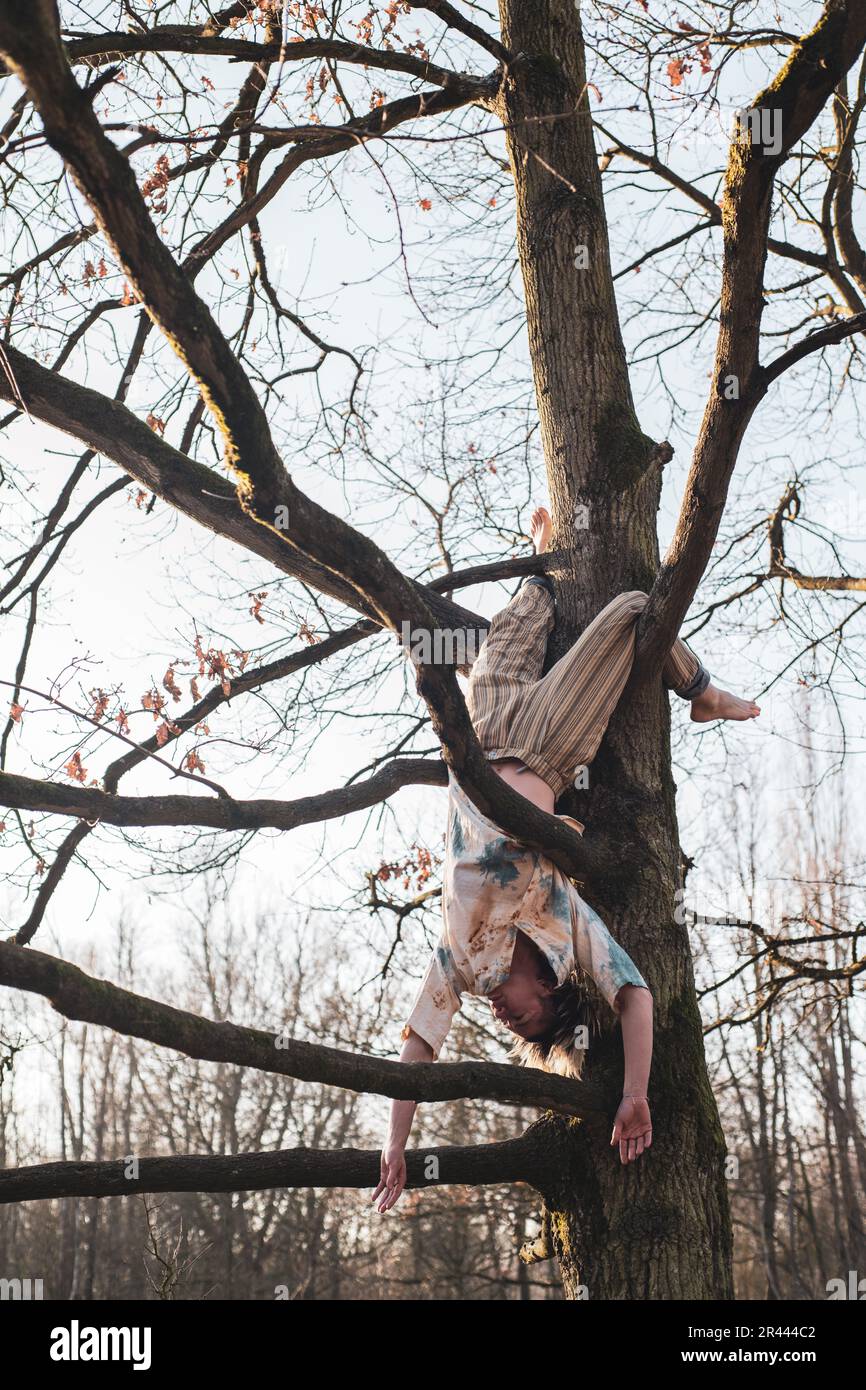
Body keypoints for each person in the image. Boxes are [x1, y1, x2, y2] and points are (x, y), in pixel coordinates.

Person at [373, 507, 760, 1213]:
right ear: (548, 991)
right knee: (636, 610)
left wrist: (394, 1145)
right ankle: (703, 692)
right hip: (549, 742)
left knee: (532, 599)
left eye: (509, 1028)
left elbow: (417, 1046)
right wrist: (635, 1096)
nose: (504, 1021)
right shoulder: (562, 918)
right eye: (523, 1022)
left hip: (481, 726)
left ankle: (544, 553)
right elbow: (635, 996)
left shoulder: (462, 959)